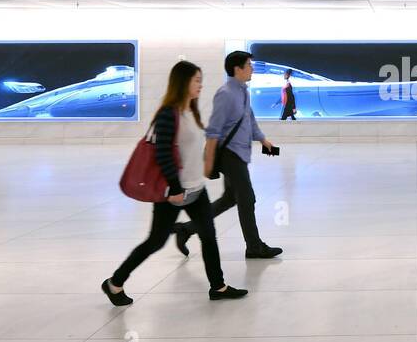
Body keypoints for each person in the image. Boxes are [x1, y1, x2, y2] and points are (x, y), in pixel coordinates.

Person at [101, 61, 245, 306]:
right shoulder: (168, 113)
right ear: (183, 82)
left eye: (201, 80)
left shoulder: (191, 109)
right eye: (196, 80)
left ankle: (218, 287)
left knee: (209, 236)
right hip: (174, 192)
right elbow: (162, 153)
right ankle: (115, 283)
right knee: (155, 241)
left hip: (196, 188)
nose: (201, 85)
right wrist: (175, 188)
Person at [174, 51, 282, 260]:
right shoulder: (225, 93)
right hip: (229, 155)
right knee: (247, 198)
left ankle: (186, 229)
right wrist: (209, 161)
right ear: (237, 69)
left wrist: (262, 139)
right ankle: (254, 246)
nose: (252, 68)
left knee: (229, 199)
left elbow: (248, 117)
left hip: (239, 153)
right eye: (249, 65)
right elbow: (214, 129)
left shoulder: (243, 91)